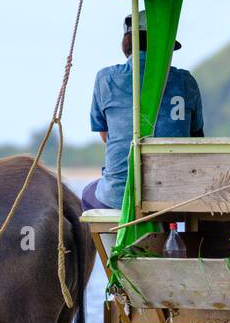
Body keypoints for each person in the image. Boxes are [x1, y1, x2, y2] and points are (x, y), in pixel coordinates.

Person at [82, 14, 204, 211]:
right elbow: (196, 136)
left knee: (89, 192)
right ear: (164, 45)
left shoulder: (106, 79)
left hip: (120, 195)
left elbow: (105, 135)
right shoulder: (185, 81)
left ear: (127, 44)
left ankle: (116, 241)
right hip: (179, 194)